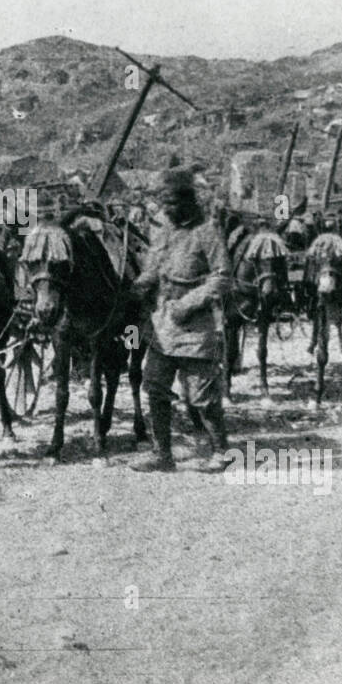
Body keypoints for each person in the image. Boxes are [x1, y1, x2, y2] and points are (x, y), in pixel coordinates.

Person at [131, 168, 233, 472]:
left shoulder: (207, 232)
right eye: (164, 203)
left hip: (195, 325)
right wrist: (139, 285)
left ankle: (221, 451)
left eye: (173, 203)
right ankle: (162, 454)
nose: (167, 209)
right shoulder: (162, 230)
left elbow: (222, 278)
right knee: (155, 386)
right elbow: (154, 267)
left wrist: (189, 303)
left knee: (201, 394)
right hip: (162, 325)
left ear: (188, 201)